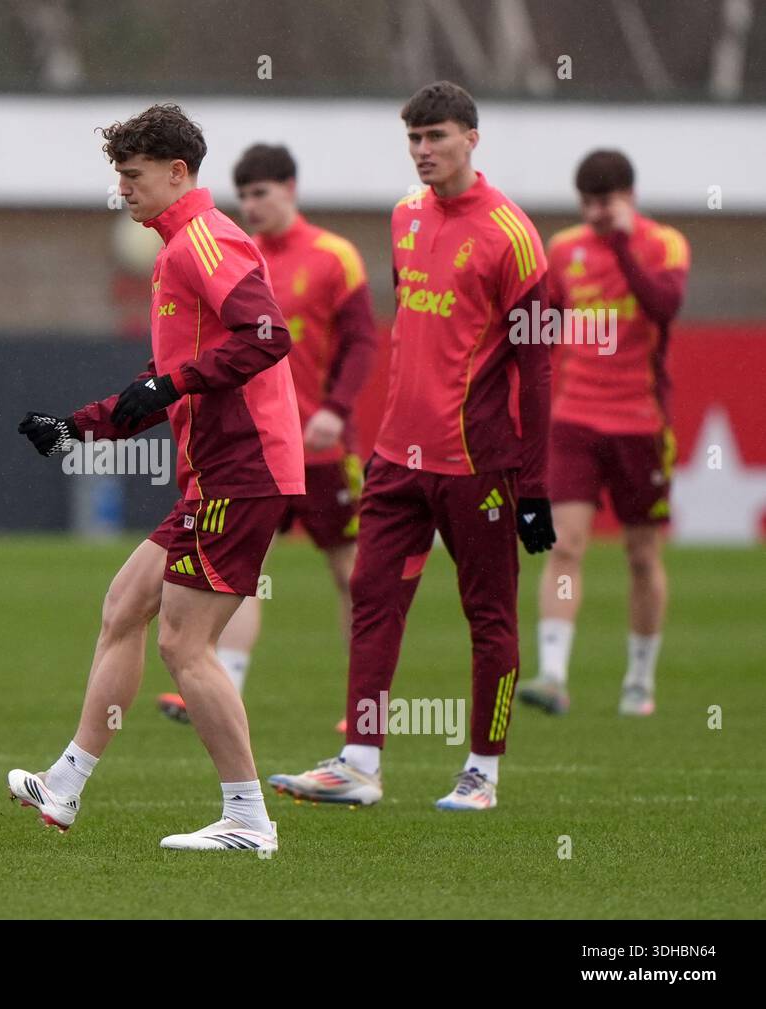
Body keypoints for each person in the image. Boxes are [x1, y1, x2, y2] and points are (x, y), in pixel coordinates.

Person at [10, 103, 305, 851]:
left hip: (243, 470)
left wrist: (170, 389)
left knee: (184, 643)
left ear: (178, 173)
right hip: (218, 473)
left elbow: (268, 333)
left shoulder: (203, 239)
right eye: (118, 176)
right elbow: (162, 380)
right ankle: (66, 783)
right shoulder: (179, 248)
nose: (123, 191)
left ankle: (247, 819)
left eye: (133, 176)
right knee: (123, 606)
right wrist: (78, 425)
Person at [269, 81, 555, 811]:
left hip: (479, 466)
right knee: (372, 599)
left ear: (472, 139)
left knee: (488, 616)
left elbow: (537, 367)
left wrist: (537, 482)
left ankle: (483, 772)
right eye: (414, 140)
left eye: (438, 138)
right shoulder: (402, 216)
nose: (424, 152)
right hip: (396, 458)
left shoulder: (514, 236)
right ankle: (360, 761)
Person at [154, 143, 376, 734]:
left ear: (291, 189)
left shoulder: (335, 257)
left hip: (325, 449)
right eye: (244, 194)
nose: (251, 205)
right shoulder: (232, 252)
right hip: (254, 451)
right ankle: (219, 682)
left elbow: (362, 344)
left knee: (349, 573)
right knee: (239, 574)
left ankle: (361, 704)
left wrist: (336, 409)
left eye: (263, 193)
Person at [520, 150, 690, 717]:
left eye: (605, 202)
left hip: (641, 421)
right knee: (565, 544)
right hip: (575, 417)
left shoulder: (663, 244)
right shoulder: (565, 248)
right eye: (587, 203)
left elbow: (663, 307)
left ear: (628, 197)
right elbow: (545, 325)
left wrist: (621, 246)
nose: (594, 213)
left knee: (642, 554)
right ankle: (553, 674)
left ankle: (640, 677)